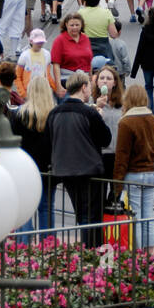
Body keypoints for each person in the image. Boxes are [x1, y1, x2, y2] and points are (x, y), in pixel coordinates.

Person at [46, 71, 110, 247]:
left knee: (81, 213)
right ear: (83, 87)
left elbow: (49, 140)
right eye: (89, 86)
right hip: (89, 170)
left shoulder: (54, 113)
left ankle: (86, 250)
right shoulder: (88, 113)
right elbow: (106, 139)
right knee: (92, 216)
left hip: (64, 170)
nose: (90, 89)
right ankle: (92, 250)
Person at [113, 85, 154, 248]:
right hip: (150, 172)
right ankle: (151, 252)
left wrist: (117, 185)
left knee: (136, 216)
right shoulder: (153, 119)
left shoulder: (126, 122)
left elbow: (122, 156)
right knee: (148, 214)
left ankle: (138, 254)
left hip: (133, 173)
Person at [9, 78, 56, 233]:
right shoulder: (53, 115)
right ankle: (48, 247)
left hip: (25, 169)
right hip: (48, 169)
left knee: (24, 210)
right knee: (46, 208)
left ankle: (22, 247)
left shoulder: (20, 115)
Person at [92, 64, 124, 182]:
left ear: (115, 83)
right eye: (102, 78)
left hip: (118, 155)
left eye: (108, 78)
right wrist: (96, 106)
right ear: (97, 82)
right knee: (99, 195)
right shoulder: (91, 102)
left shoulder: (123, 104)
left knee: (116, 195)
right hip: (99, 155)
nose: (105, 81)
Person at [50, 12, 93, 92]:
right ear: (66, 25)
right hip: (67, 80)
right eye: (72, 25)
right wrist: (58, 86)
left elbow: (89, 62)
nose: (74, 28)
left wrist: (91, 81)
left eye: (77, 25)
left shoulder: (85, 38)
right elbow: (56, 65)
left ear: (81, 25)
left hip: (84, 79)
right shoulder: (59, 40)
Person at [77, 0, 120, 65]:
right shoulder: (106, 13)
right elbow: (114, 34)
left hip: (85, 47)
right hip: (103, 49)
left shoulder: (80, 13)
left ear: (85, 0)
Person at [14, 27, 58, 99]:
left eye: (41, 42)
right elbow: (17, 76)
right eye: (37, 42)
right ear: (31, 41)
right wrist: (23, 93)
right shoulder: (24, 56)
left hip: (44, 91)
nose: (40, 44)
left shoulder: (46, 54)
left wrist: (55, 88)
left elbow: (48, 74)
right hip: (29, 92)